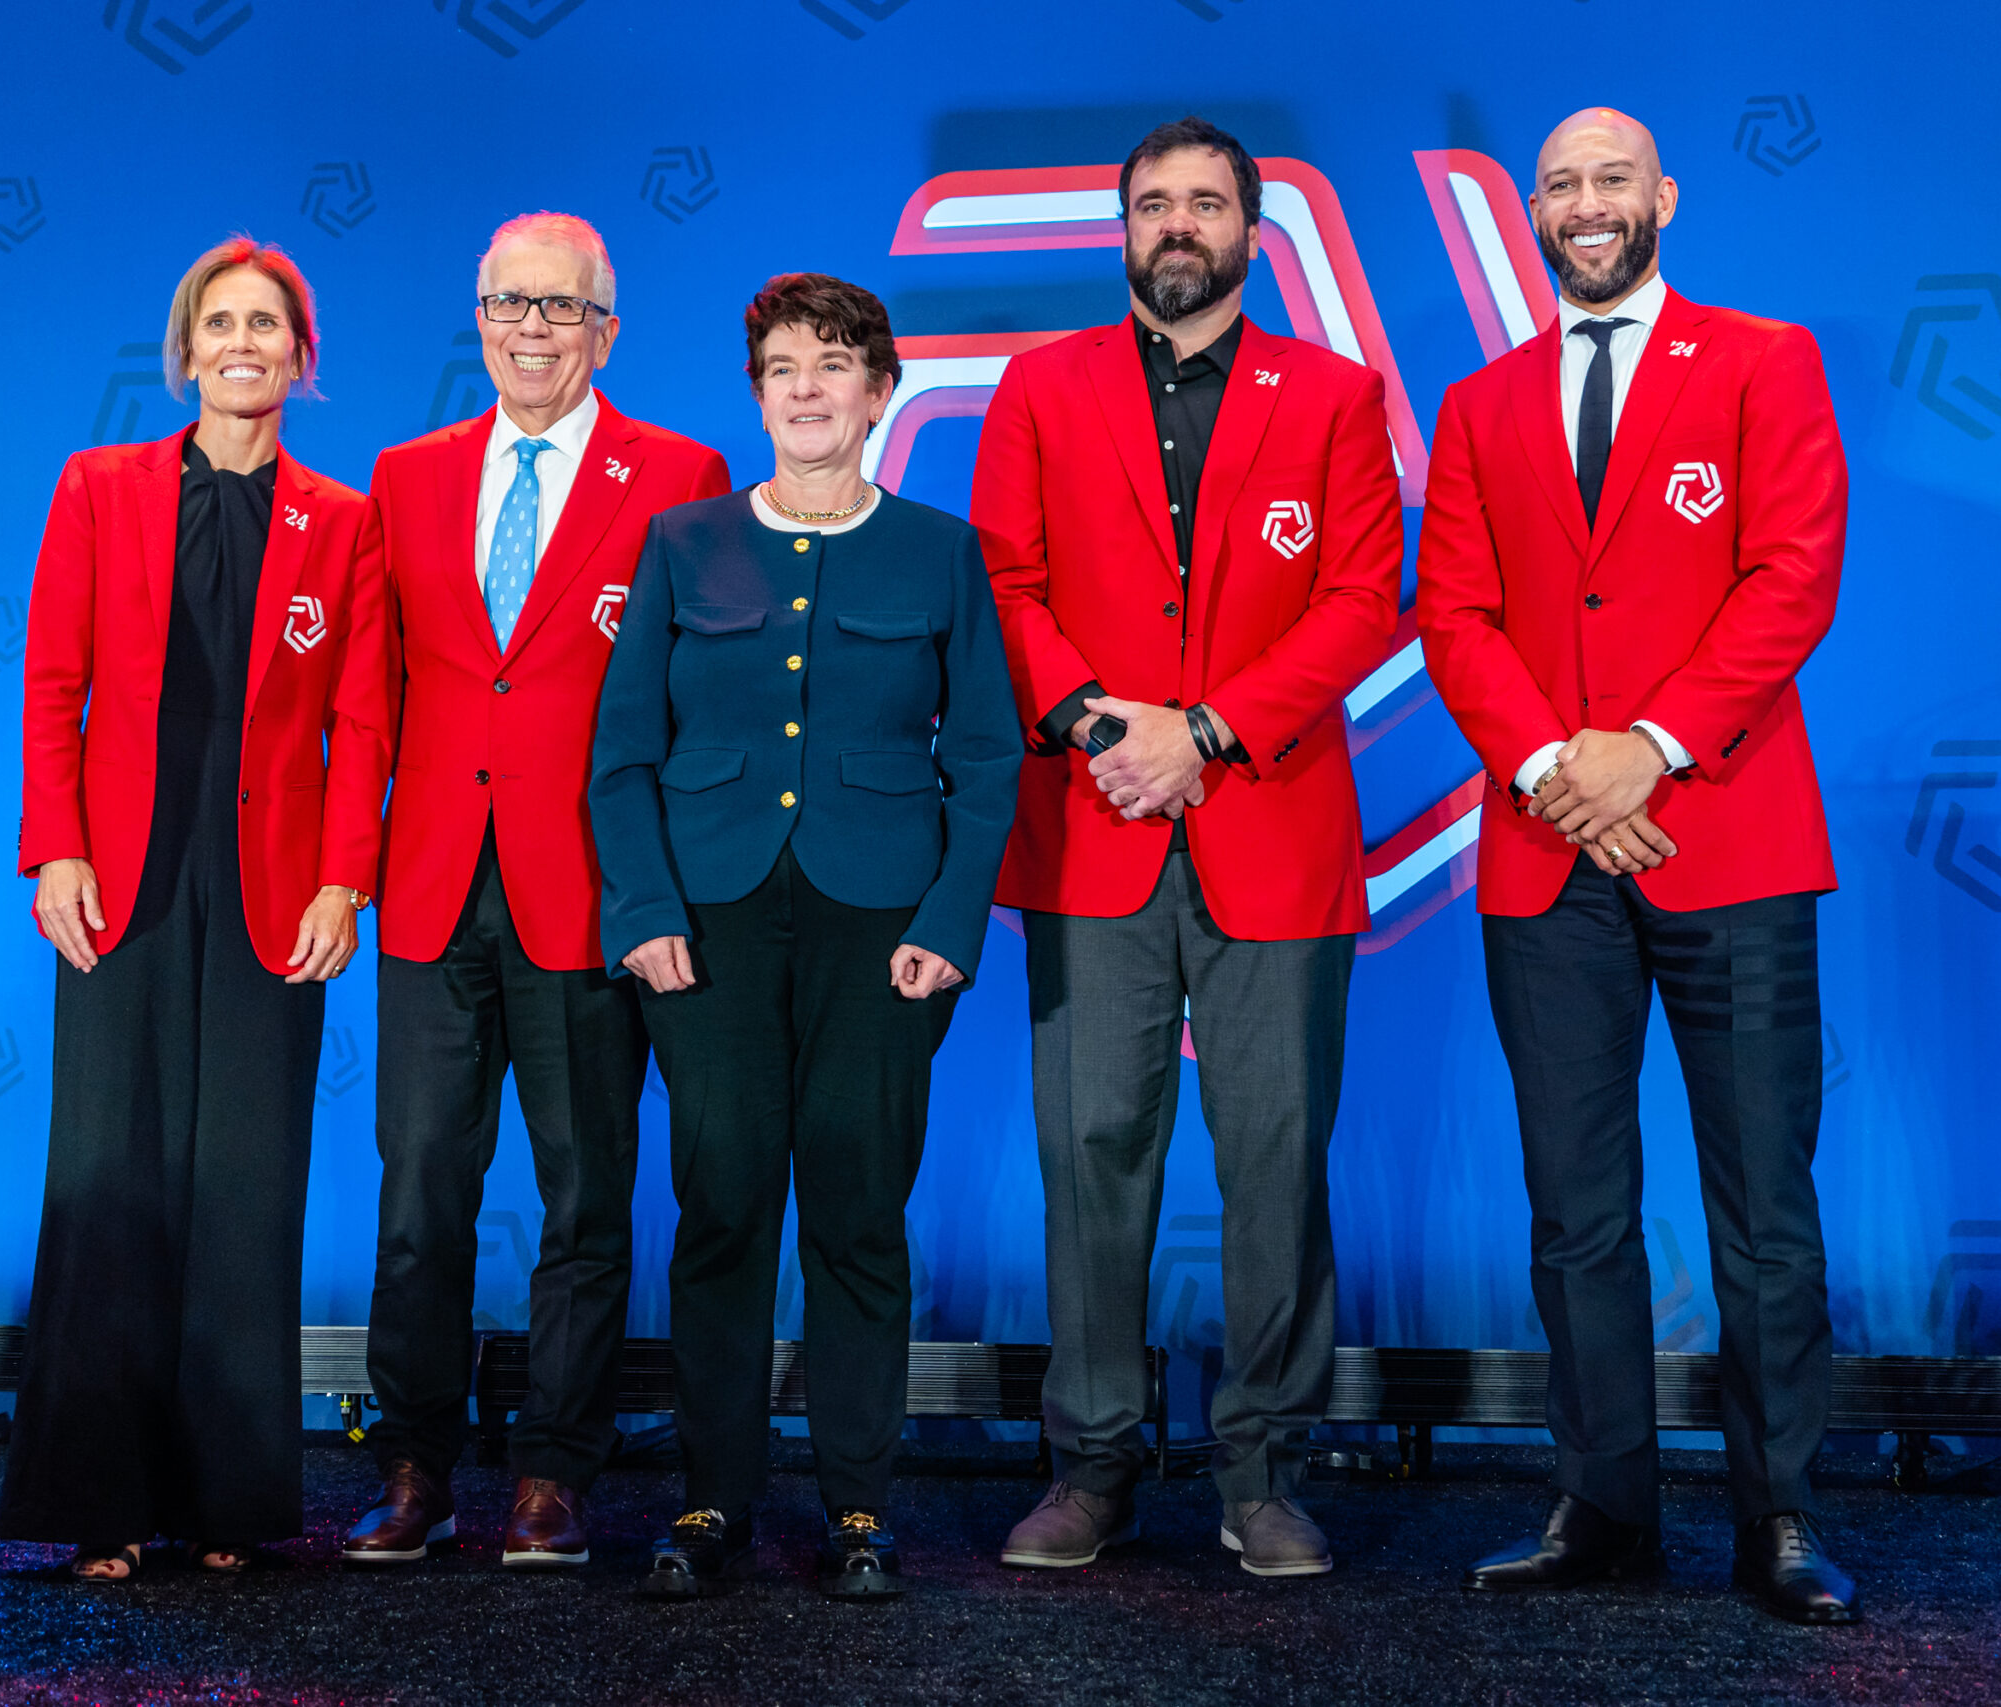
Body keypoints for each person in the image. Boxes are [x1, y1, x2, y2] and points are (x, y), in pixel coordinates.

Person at [1412, 108, 1858, 1625]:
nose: (1587, 205)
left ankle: (1782, 1515)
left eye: (1613, 180)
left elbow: (1792, 575)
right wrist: (1557, 771)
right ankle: (1600, 1506)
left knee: (1765, 1208)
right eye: (1562, 186)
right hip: (1549, 862)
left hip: (1724, 837)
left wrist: (1648, 747)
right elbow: (1454, 618)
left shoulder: (1762, 359)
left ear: (1663, 197)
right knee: (1577, 1213)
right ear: (1532, 214)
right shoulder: (1479, 404)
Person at [971, 118, 1402, 1579]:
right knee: (1090, 1153)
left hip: (1269, 829)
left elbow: (1360, 601)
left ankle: (1264, 1468)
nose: (1177, 224)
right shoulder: (1041, 387)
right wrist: (1108, 726)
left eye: (1204, 203)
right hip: (1096, 829)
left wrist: (1205, 732)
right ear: (1122, 227)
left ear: (1252, 230)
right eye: (1153, 203)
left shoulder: (1336, 396)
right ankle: (1090, 1465)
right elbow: (1005, 582)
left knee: (1275, 1161)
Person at [588, 274, 1021, 1599]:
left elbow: (994, 756)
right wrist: (646, 913)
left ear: (881, 390)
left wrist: (951, 923)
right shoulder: (682, 541)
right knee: (720, 1207)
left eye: (836, 365)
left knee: (855, 1209)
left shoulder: (942, 552)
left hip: (879, 926)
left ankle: (855, 1509)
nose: (810, 388)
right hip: (709, 927)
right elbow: (620, 758)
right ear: (757, 391)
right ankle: (712, 1503)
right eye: (784, 367)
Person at [0, 237, 389, 1580]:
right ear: (184, 349)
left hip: (277, 895)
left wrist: (347, 876)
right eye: (218, 322)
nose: (241, 343)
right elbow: (52, 682)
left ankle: (226, 1503)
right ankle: (99, 1500)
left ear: (301, 356)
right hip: (119, 882)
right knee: (109, 1178)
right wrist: (55, 849)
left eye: (266, 325)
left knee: (245, 1188)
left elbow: (361, 716)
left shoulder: (344, 522)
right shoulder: (100, 487)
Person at [344, 213, 730, 1569]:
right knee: (419, 1196)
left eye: (559, 309)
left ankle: (553, 1477)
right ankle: (411, 1465)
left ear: (605, 330)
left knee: (585, 1199)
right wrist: (350, 870)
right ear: (479, 315)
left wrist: (679, 893)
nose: (530, 329)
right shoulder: (404, 476)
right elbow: (372, 701)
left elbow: (706, 707)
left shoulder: (685, 475)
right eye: (508, 303)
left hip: (593, 896)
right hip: (434, 888)